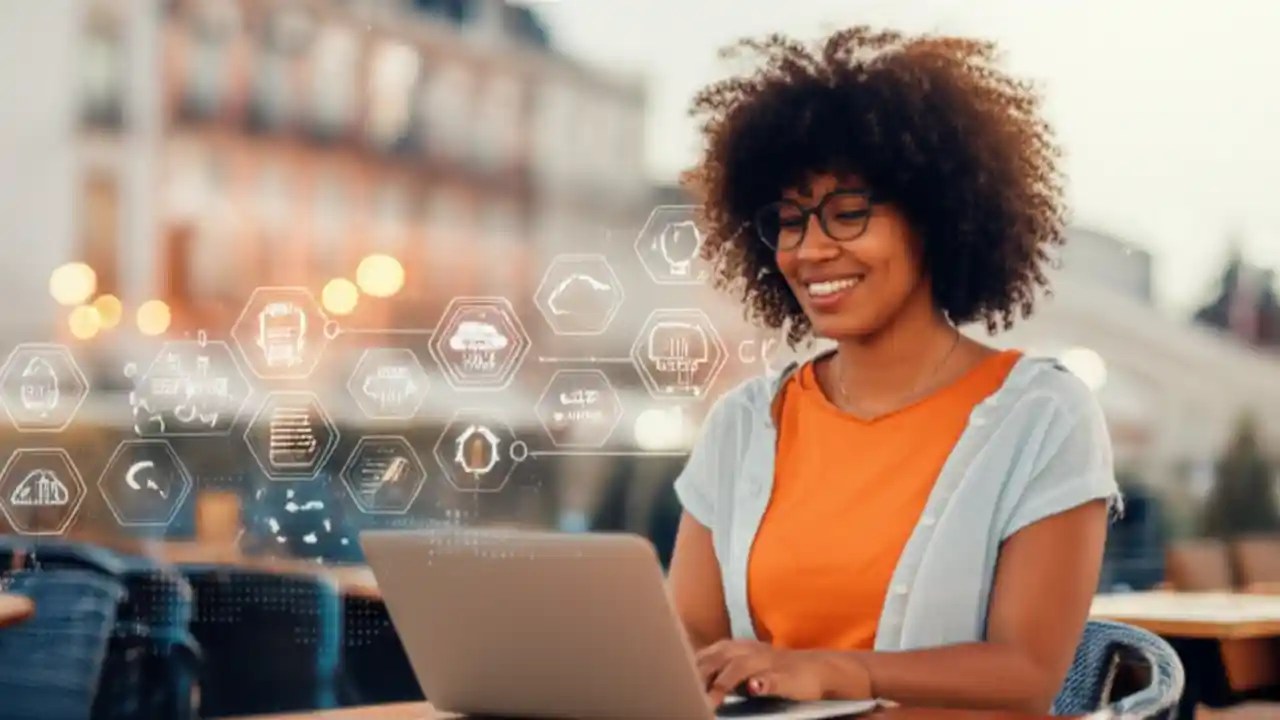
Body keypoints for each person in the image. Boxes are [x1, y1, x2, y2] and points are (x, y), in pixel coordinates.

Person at [668, 27, 1122, 713]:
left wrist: (832, 672)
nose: (810, 249)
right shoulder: (743, 422)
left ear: (935, 218)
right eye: (789, 221)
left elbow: (1025, 678)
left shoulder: (1043, 418)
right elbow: (690, 638)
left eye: (848, 214)